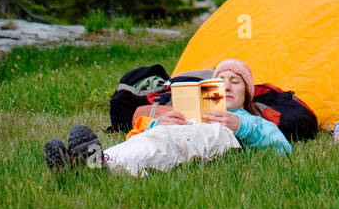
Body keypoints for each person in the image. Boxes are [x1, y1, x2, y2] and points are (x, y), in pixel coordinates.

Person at [44, 59, 292, 176]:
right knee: (154, 137)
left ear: (247, 94)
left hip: (209, 139)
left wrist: (242, 126)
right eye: (220, 81)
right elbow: (139, 135)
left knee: (176, 144)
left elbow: (283, 148)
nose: (226, 85)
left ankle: (99, 167)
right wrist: (158, 122)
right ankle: (94, 162)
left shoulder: (247, 120)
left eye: (235, 82)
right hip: (176, 131)